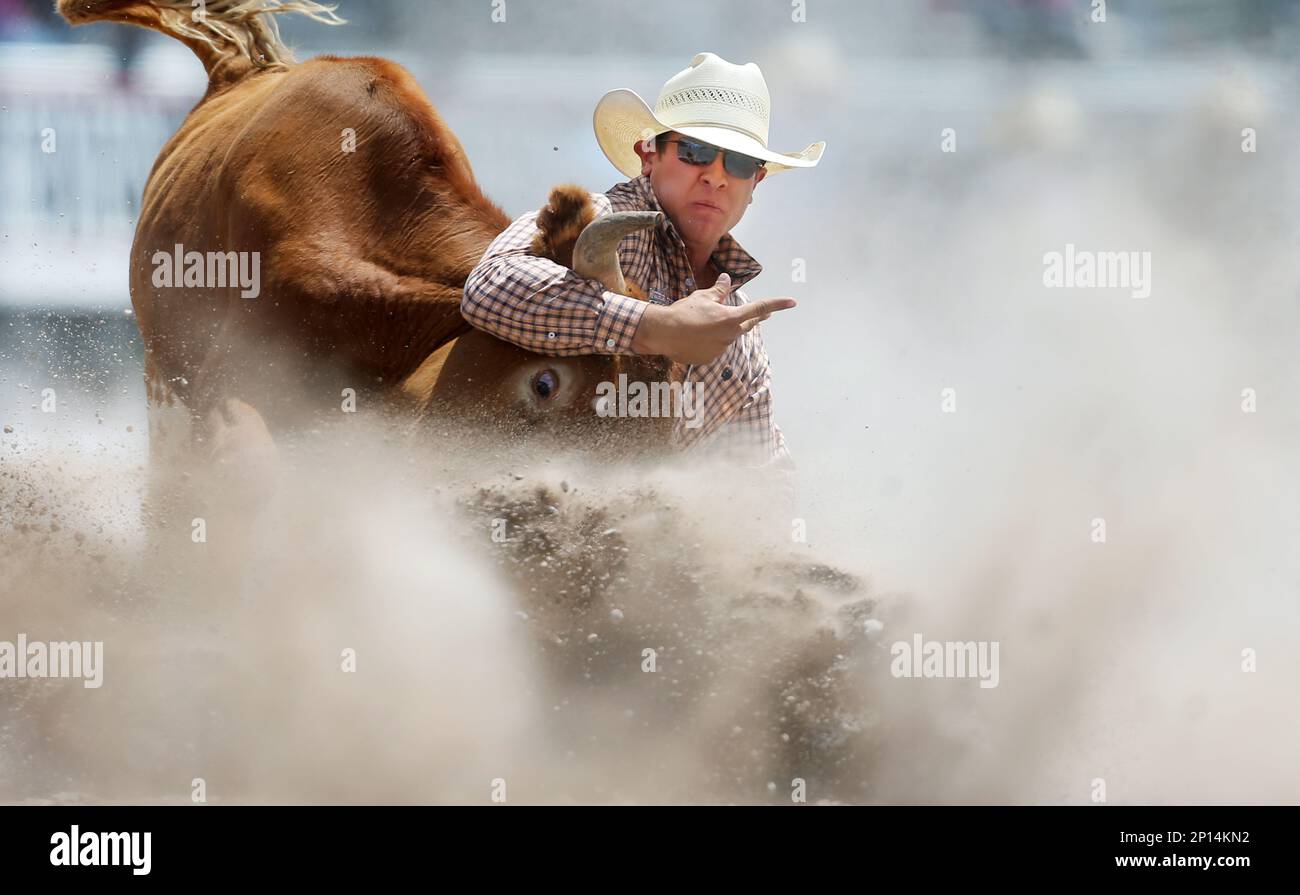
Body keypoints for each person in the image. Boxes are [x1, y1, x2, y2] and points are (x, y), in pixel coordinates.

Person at [462, 52, 824, 466]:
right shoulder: (601, 223)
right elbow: (488, 285)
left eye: (740, 162)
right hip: (508, 486)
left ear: (755, 181)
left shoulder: (743, 342)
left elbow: (762, 480)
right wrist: (654, 327)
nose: (716, 176)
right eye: (695, 150)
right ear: (648, 155)